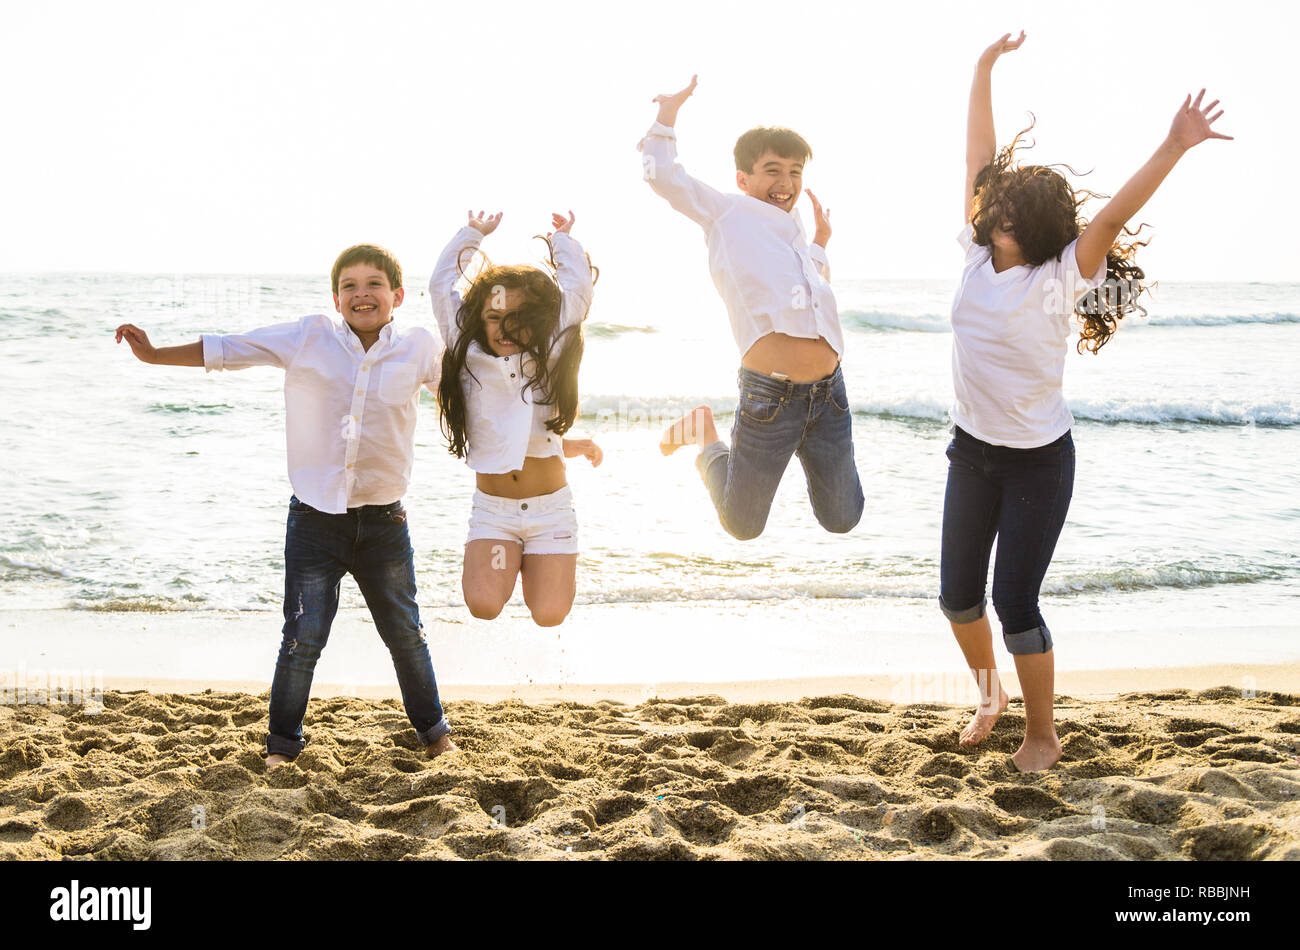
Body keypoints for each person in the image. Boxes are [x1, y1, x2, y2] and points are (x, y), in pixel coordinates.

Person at [943, 31, 1231, 771]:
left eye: (1005, 209)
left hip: (1038, 464)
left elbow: (1107, 220)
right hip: (971, 452)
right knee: (956, 599)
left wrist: (1173, 145)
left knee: (1015, 604)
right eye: (993, 204)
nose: (991, 212)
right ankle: (988, 695)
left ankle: (1043, 735)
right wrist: (981, 69)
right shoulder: (975, 254)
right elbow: (980, 154)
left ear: (1032, 227)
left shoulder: (1060, 277)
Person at [114, 243, 455, 768]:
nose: (361, 294)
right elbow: (230, 349)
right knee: (302, 636)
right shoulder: (309, 337)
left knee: (405, 633)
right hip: (315, 522)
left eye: (373, 284)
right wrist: (155, 354)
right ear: (336, 298)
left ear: (397, 295)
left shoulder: (419, 347)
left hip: (385, 521)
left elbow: (470, 390)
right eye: (349, 286)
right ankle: (282, 745)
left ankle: (434, 734)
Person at [642, 75, 864, 540]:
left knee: (844, 517)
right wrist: (668, 115)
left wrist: (821, 241)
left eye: (795, 172)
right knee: (743, 525)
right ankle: (704, 433)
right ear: (743, 179)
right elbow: (663, 176)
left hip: (829, 395)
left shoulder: (796, 233)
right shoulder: (727, 214)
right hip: (771, 397)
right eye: (773, 170)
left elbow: (810, 291)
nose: (785, 183)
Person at [432, 210, 599, 627]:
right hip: (495, 514)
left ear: (540, 321)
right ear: (478, 319)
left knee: (549, 614)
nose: (505, 329)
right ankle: (511, 565)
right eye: (494, 317)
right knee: (484, 605)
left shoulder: (551, 353)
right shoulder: (466, 355)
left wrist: (562, 240)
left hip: (550, 512)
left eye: (519, 319)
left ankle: (540, 567)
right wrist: (473, 235)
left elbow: (577, 291)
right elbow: (440, 286)